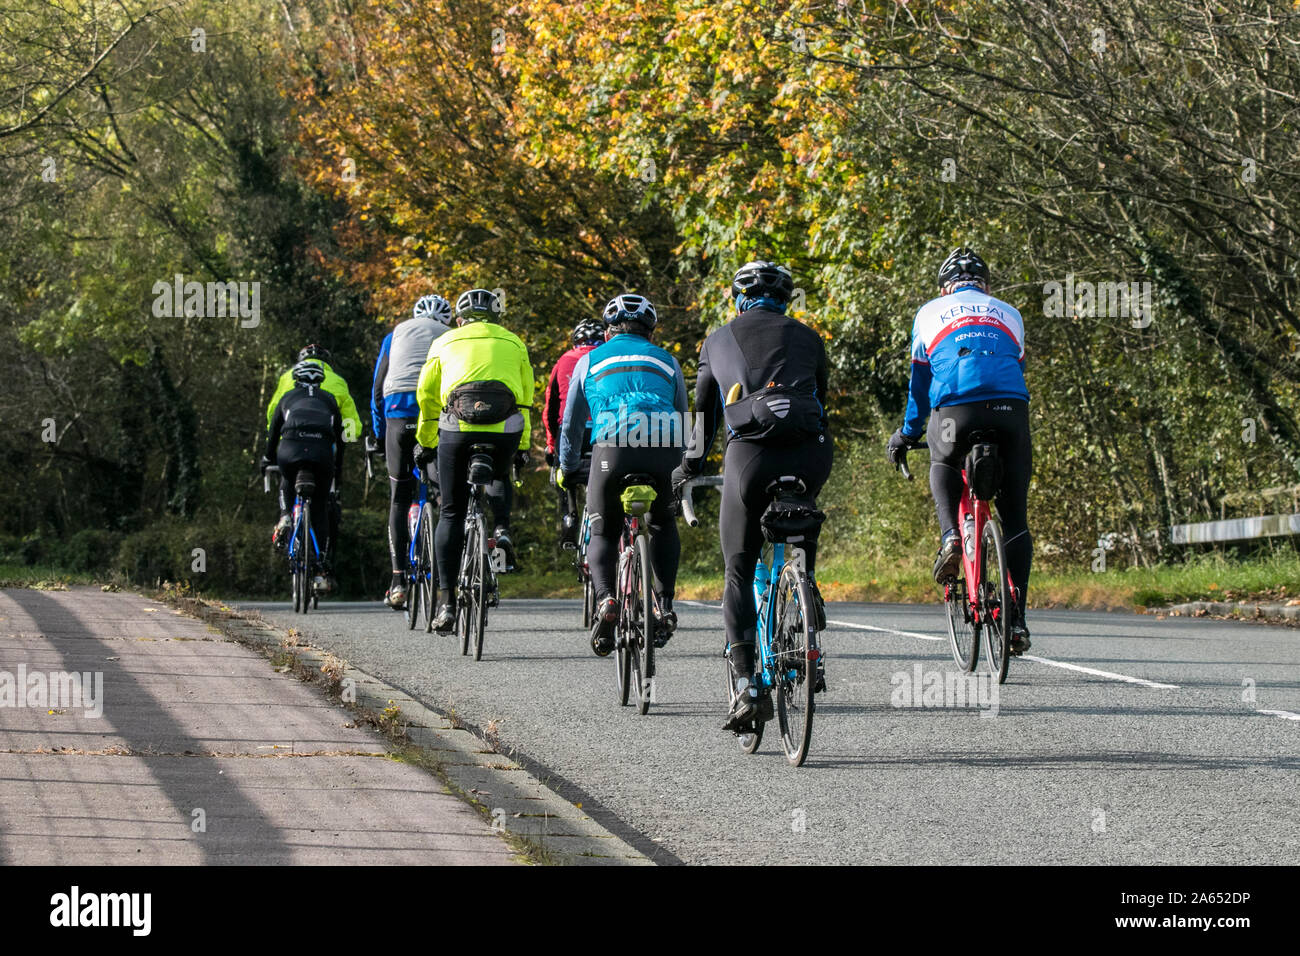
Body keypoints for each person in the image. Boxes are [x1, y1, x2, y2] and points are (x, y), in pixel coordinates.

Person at [672, 261, 833, 733]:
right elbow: (822, 403)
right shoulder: (809, 336)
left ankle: (746, 686)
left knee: (739, 567)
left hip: (751, 457)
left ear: (738, 300)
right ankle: (807, 600)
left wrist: (689, 469)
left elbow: (702, 421)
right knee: (798, 522)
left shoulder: (718, 339)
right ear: (785, 300)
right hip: (810, 452)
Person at [887, 247, 1033, 654]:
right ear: (985, 285)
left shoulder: (929, 312)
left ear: (944, 288)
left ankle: (951, 536)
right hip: (1010, 408)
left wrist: (907, 432)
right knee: (1016, 516)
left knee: (942, 458)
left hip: (956, 409)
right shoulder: (1010, 313)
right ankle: (1016, 619)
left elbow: (920, 383)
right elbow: (1015, 369)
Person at [559, 293, 688, 656]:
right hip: (663, 445)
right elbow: (681, 414)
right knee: (662, 521)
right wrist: (680, 468)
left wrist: (568, 467)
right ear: (651, 330)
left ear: (608, 328)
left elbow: (571, 424)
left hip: (611, 450)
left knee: (602, 528)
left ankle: (606, 600)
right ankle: (664, 603)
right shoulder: (668, 361)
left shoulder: (589, 360)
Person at [415, 289, 534, 633]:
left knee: (451, 512)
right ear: (497, 317)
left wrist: (425, 440)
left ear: (460, 318)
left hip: (458, 428)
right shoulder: (514, 342)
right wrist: (523, 447)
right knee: (501, 472)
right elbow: (525, 397)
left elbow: (426, 394)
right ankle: (501, 529)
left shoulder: (445, 342)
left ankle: (446, 603)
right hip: (505, 427)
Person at [369, 294, 452, 608]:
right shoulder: (450, 336)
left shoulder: (395, 334)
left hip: (397, 415)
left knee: (398, 498)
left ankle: (398, 580)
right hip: (434, 414)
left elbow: (377, 390)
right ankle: (448, 581)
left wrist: (379, 435)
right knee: (445, 494)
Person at [265, 344, 362, 576]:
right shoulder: (337, 382)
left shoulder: (286, 378)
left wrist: (276, 443)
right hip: (326, 447)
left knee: (287, 481)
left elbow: (272, 415)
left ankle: (286, 516)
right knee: (326, 506)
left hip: (290, 444)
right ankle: (323, 570)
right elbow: (351, 427)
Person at [544, 318, 605, 545]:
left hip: (570, 432)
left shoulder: (564, 360)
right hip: (606, 430)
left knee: (565, 474)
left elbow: (550, 408)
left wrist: (552, 445)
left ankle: (569, 514)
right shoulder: (608, 358)